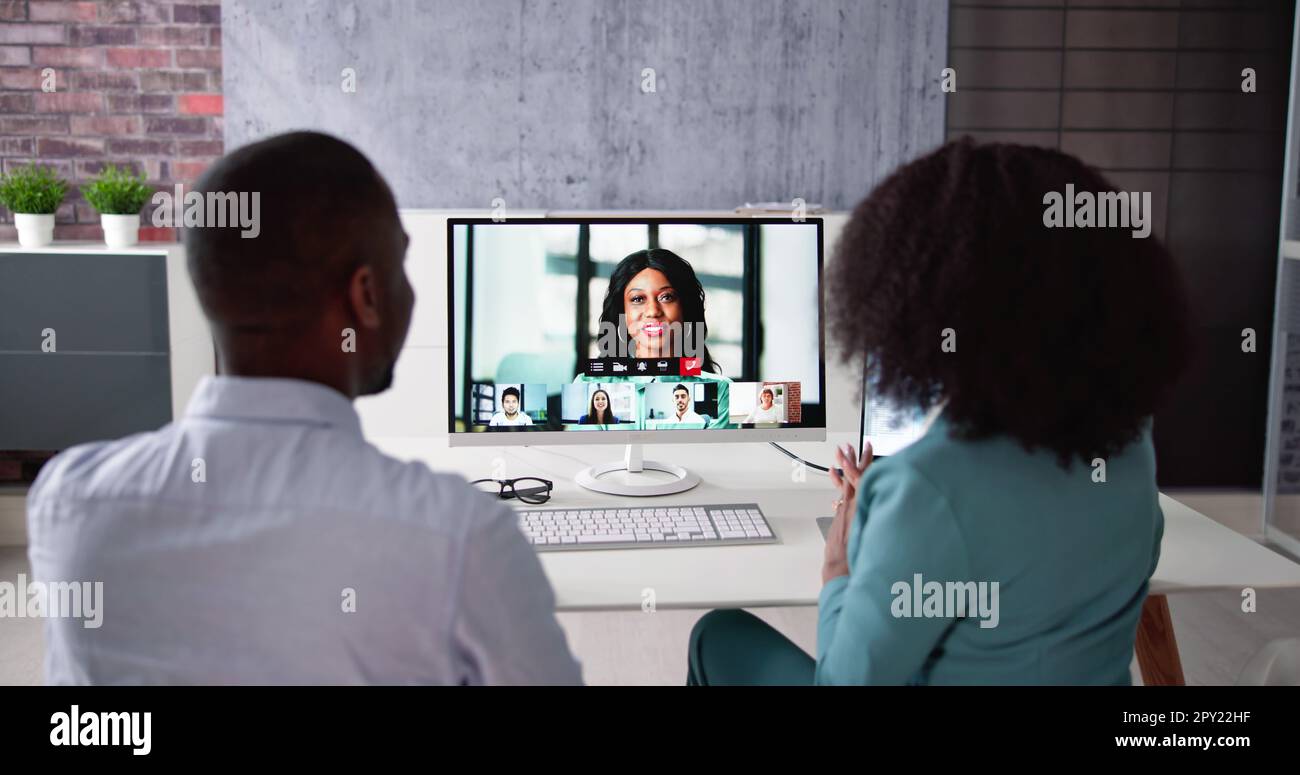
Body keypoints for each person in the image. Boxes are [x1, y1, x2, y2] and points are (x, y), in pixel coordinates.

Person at [26, 131, 582, 685]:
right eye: (402, 266)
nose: (409, 295)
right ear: (365, 295)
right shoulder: (463, 538)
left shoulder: (70, 501)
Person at [686, 139, 1191, 685]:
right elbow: (1118, 550)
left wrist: (840, 568)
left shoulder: (929, 488)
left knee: (718, 634)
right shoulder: (1131, 441)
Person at [578, 248, 730, 429]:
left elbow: (715, 457)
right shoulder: (587, 384)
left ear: (685, 308)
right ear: (622, 313)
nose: (653, 311)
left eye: (666, 297)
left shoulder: (722, 390)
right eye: (637, 299)